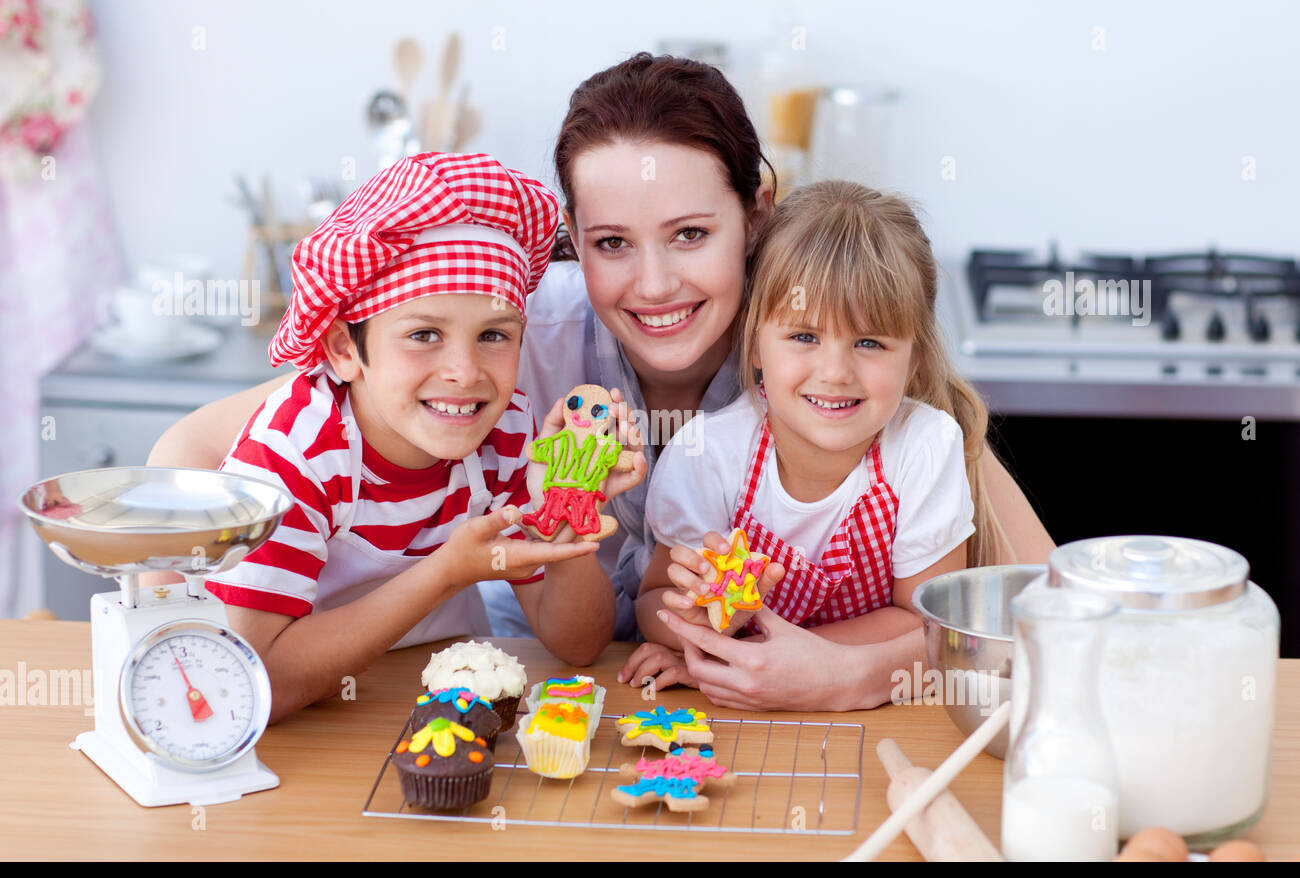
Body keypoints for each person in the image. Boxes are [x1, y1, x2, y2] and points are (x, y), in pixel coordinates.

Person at [148, 54, 1054, 708]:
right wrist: (186, 651)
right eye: (612, 245)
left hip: (735, 704)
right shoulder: (503, 340)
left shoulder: (819, 353)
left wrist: (858, 668)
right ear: (572, 244)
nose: (653, 285)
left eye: (691, 235)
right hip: (530, 691)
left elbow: (1046, 599)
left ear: (756, 214)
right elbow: (193, 447)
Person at [199, 152, 643, 723]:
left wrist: (568, 513)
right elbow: (259, 683)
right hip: (304, 734)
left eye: (493, 335)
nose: (465, 371)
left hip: (436, 711)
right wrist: (445, 572)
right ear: (343, 349)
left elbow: (577, 646)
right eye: (424, 334)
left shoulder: (505, 432)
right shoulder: (296, 455)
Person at [629, 180, 997, 708]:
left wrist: (772, 658)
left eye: (869, 342)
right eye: (804, 337)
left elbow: (926, 628)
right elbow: (651, 605)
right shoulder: (707, 453)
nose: (835, 372)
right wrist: (697, 626)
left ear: (913, 358)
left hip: (882, 719)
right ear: (755, 343)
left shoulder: (923, 446)